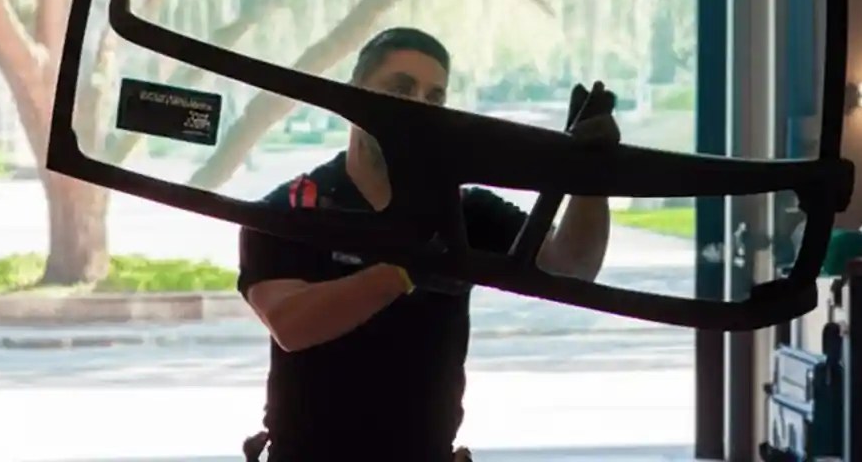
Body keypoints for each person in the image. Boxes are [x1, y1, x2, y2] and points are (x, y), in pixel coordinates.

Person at [237, 27, 620, 462]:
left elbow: (571, 266)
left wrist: (590, 178)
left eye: (434, 96)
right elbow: (291, 324)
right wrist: (403, 271)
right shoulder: (290, 209)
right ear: (351, 96)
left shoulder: (464, 211)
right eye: (400, 89)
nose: (419, 106)